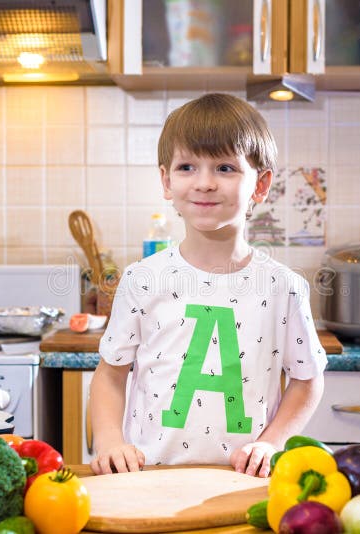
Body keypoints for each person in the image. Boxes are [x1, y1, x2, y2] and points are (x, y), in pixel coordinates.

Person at [89, 93, 326, 478]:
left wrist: (271, 442)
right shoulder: (143, 280)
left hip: (242, 482)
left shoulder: (284, 288)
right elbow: (110, 374)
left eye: (225, 168)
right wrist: (110, 440)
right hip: (148, 476)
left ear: (260, 185)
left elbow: (307, 381)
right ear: (166, 181)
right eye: (187, 167)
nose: (204, 183)